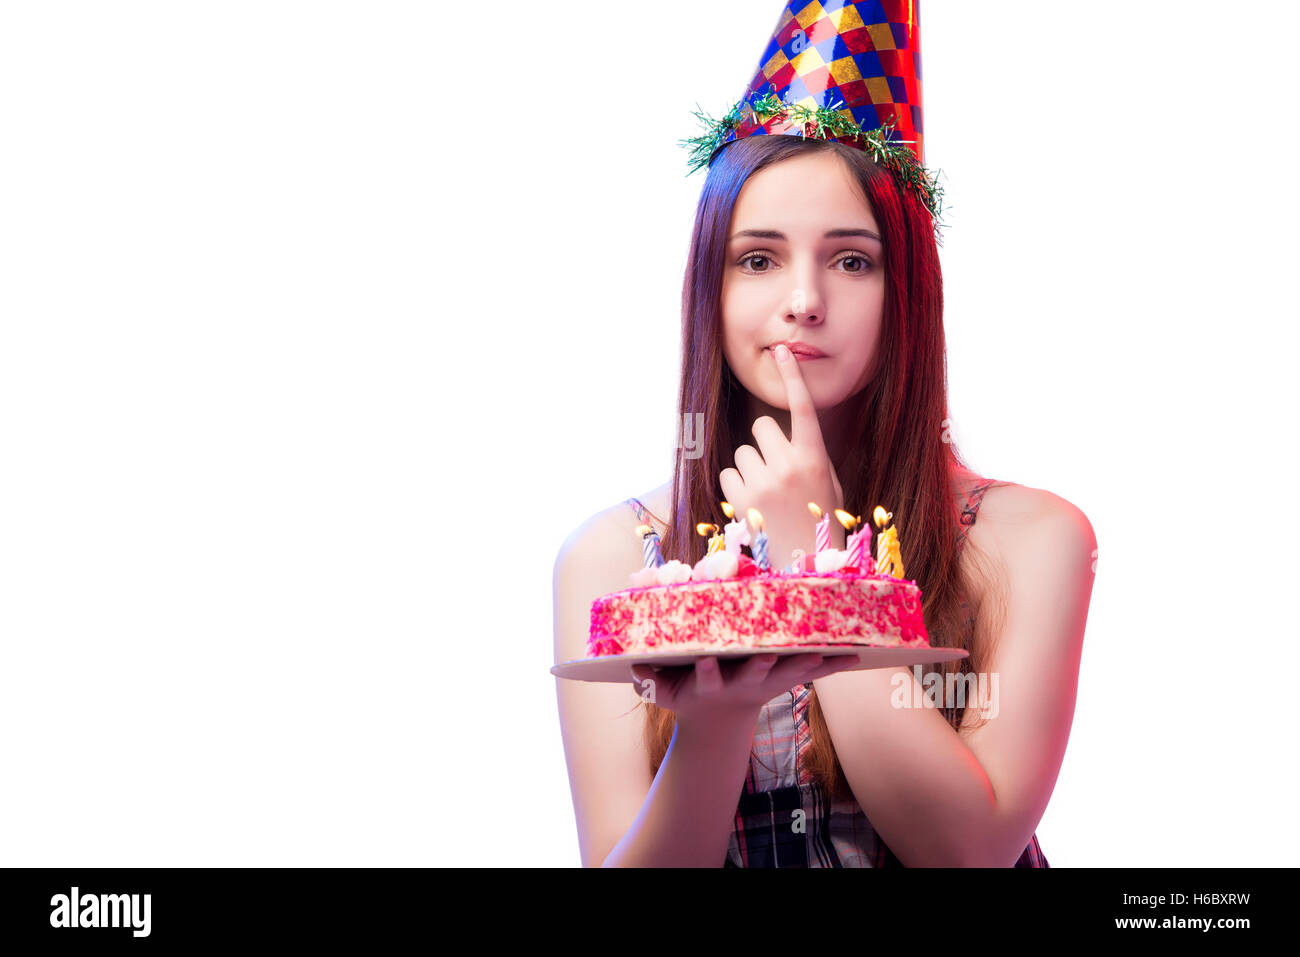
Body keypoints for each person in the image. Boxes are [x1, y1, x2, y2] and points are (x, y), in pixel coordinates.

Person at [553, 1, 1096, 867]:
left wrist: (819, 553)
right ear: (712, 289)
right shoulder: (619, 555)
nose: (803, 299)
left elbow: (963, 848)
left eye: (851, 259)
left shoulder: (1026, 538)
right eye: (758, 258)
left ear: (905, 287)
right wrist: (717, 717)